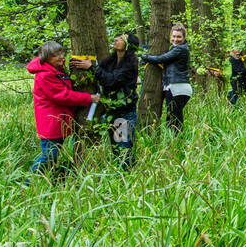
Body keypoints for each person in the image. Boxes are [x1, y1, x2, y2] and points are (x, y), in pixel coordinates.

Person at [27, 41, 99, 176]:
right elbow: (62, 95)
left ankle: (46, 179)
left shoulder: (54, 69)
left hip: (58, 120)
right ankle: (29, 182)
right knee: (49, 156)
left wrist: (70, 65)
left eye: (61, 53)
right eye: (56, 55)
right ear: (47, 58)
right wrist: (89, 98)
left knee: (53, 154)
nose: (61, 57)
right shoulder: (45, 75)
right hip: (51, 122)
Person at [83, 32, 140, 169]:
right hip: (110, 113)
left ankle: (129, 178)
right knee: (116, 150)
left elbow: (112, 81)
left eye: (121, 38)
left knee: (124, 150)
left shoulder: (130, 64)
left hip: (124, 113)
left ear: (128, 45)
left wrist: (91, 68)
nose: (116, 39)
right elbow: (103, 75)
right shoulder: (111, 61)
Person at [140, 23, 193, 134]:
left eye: (179, 37)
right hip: (177, 87)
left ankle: (177, 145)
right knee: (173, 117)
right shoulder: (176, 49)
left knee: (174, 120)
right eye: (173, 36)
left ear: (184, 38)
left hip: (177, 87)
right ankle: (176, 143)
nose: (175, 39)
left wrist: (145, 57)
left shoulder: (180, 49)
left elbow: (162, 58)